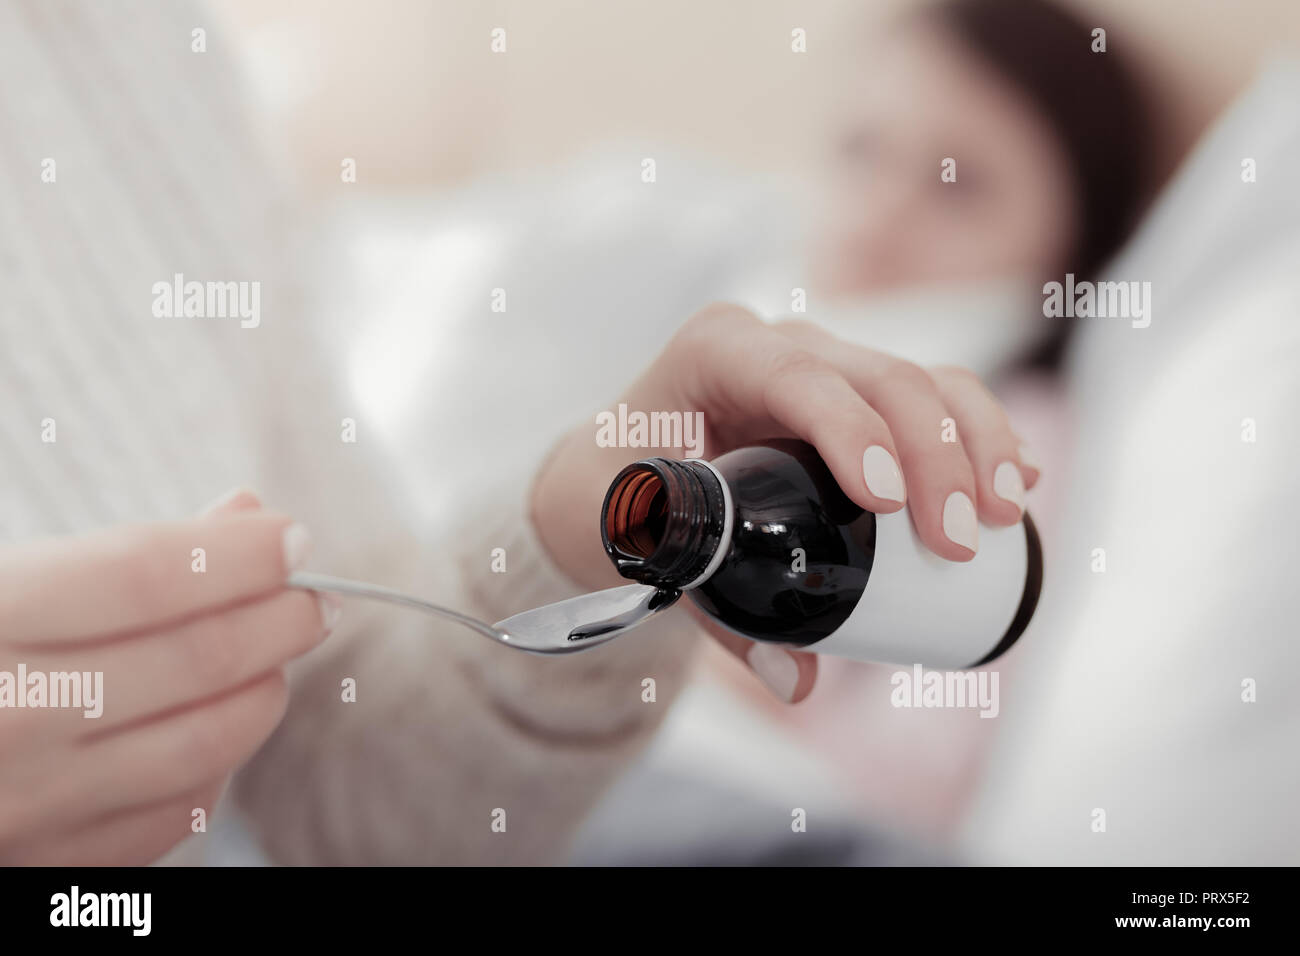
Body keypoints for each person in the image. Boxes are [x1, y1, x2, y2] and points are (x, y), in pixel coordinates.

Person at [0, 0, 1034, 864]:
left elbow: (341, 787)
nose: (888, 207)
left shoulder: (144, 53)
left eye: (960, 181)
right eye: (863, 150)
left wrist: (571, 540)